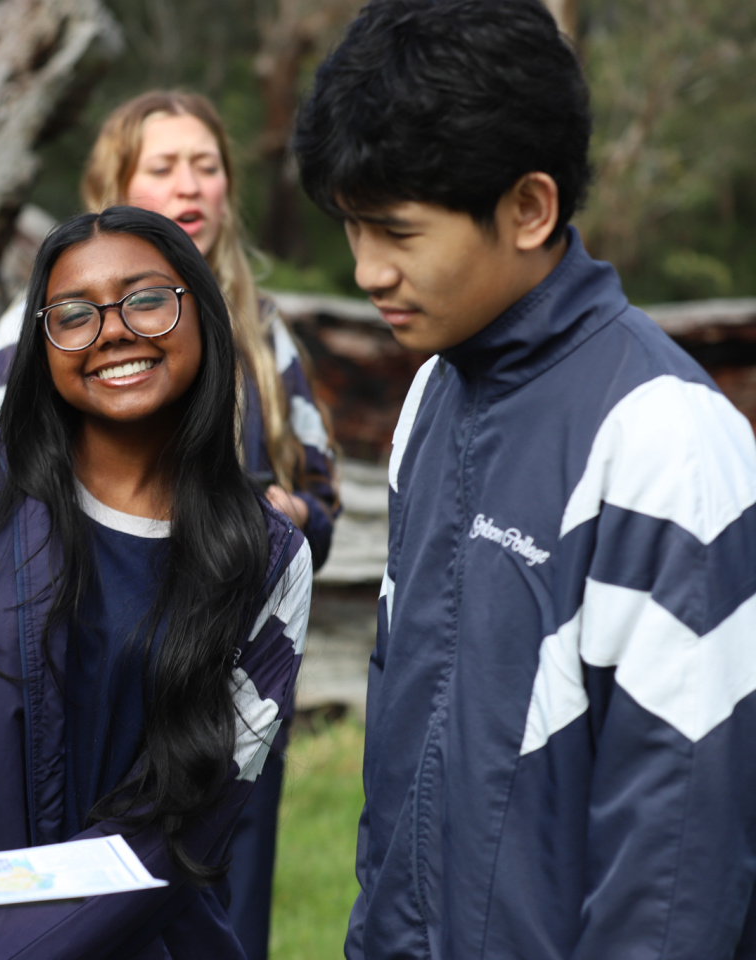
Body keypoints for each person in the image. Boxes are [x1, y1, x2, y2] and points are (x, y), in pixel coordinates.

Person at [293, 1, 756, 957]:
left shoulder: (667, 439)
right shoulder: (430, 396)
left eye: (397, 232)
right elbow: (400, 761)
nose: (367, 270)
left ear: (531, 208)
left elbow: (679, 859)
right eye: (351, 228)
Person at [0, 205, 313, 959]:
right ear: (42, 345)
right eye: (73, 315)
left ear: (203, 312)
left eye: (147, 299)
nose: (113, 331)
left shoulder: (267, 560)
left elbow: (173, 840)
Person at [0, 91, 339, 958]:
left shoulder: (264, 335)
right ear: (114, 186)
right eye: (163, 167)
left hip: (227, 670)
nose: (189, 185)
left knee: (214, 878)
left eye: (206, 165)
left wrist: (288, 516)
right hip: (71, 670)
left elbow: (321, 491)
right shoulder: (33, 331)